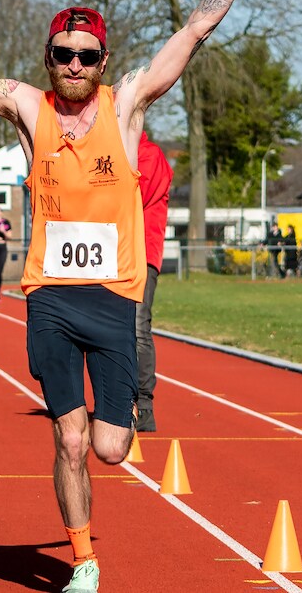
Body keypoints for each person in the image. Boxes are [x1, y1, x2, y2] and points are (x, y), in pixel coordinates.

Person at [0, 0, 251, 589]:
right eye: (63, 54)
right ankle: (83, 562)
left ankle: (115, 441)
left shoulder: (129, 103)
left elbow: (194, 29)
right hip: (51, 298)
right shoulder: (29, 110)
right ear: (49, 58)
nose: (74, 65)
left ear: (103, 60)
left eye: (85, 55)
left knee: (110, 448)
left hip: (114, 299)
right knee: (71, 440)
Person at [134, 131, 171, 433]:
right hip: (115, 253)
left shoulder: (149, 154)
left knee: (137, 326)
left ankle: (144, 405)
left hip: (142, 253)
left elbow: (133, 198)